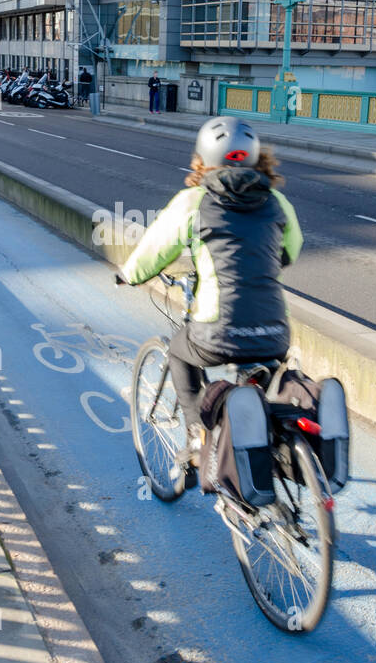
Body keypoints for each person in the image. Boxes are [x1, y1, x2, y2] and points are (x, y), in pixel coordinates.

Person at [119, 117, 303, 459]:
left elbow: (154, 249)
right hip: (276, 332)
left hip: (218, 333)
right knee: (262, 391)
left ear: (202, 158)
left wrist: (129, 274)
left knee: (178, 350)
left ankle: (197, 438)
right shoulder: (278, 202)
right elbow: (290, 251)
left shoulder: (194, 200)